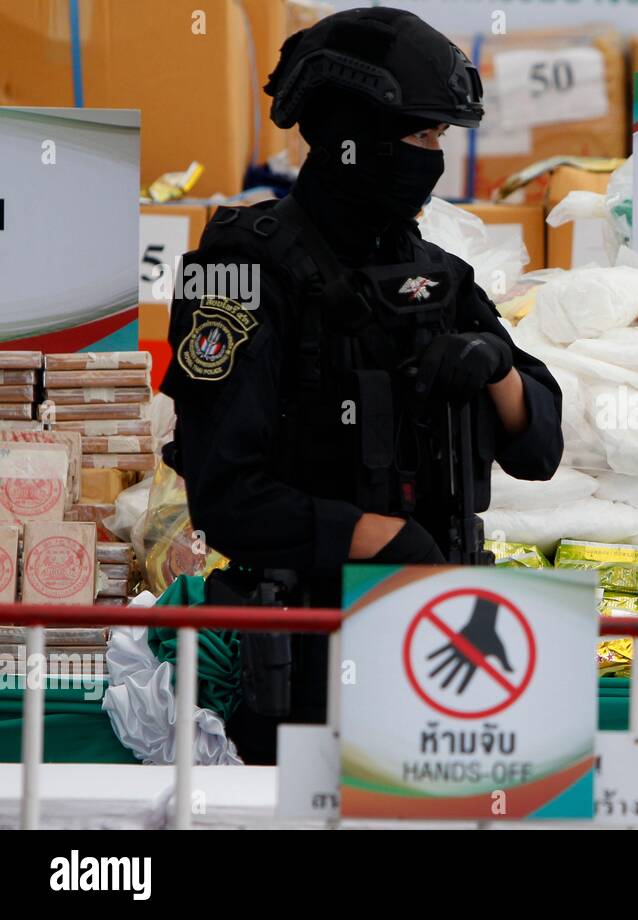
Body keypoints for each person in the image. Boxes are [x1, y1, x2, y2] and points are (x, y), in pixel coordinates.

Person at [159, 7, 563, 764]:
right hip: (303, 649)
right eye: (420, 137)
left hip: (435, 642)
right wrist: (378, 540)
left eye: (441, 139)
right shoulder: (241, 272)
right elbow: (227, 495)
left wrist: (498, 367)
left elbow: (541, 449)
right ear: (353, 140)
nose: (433, 159)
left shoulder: (437, 275)